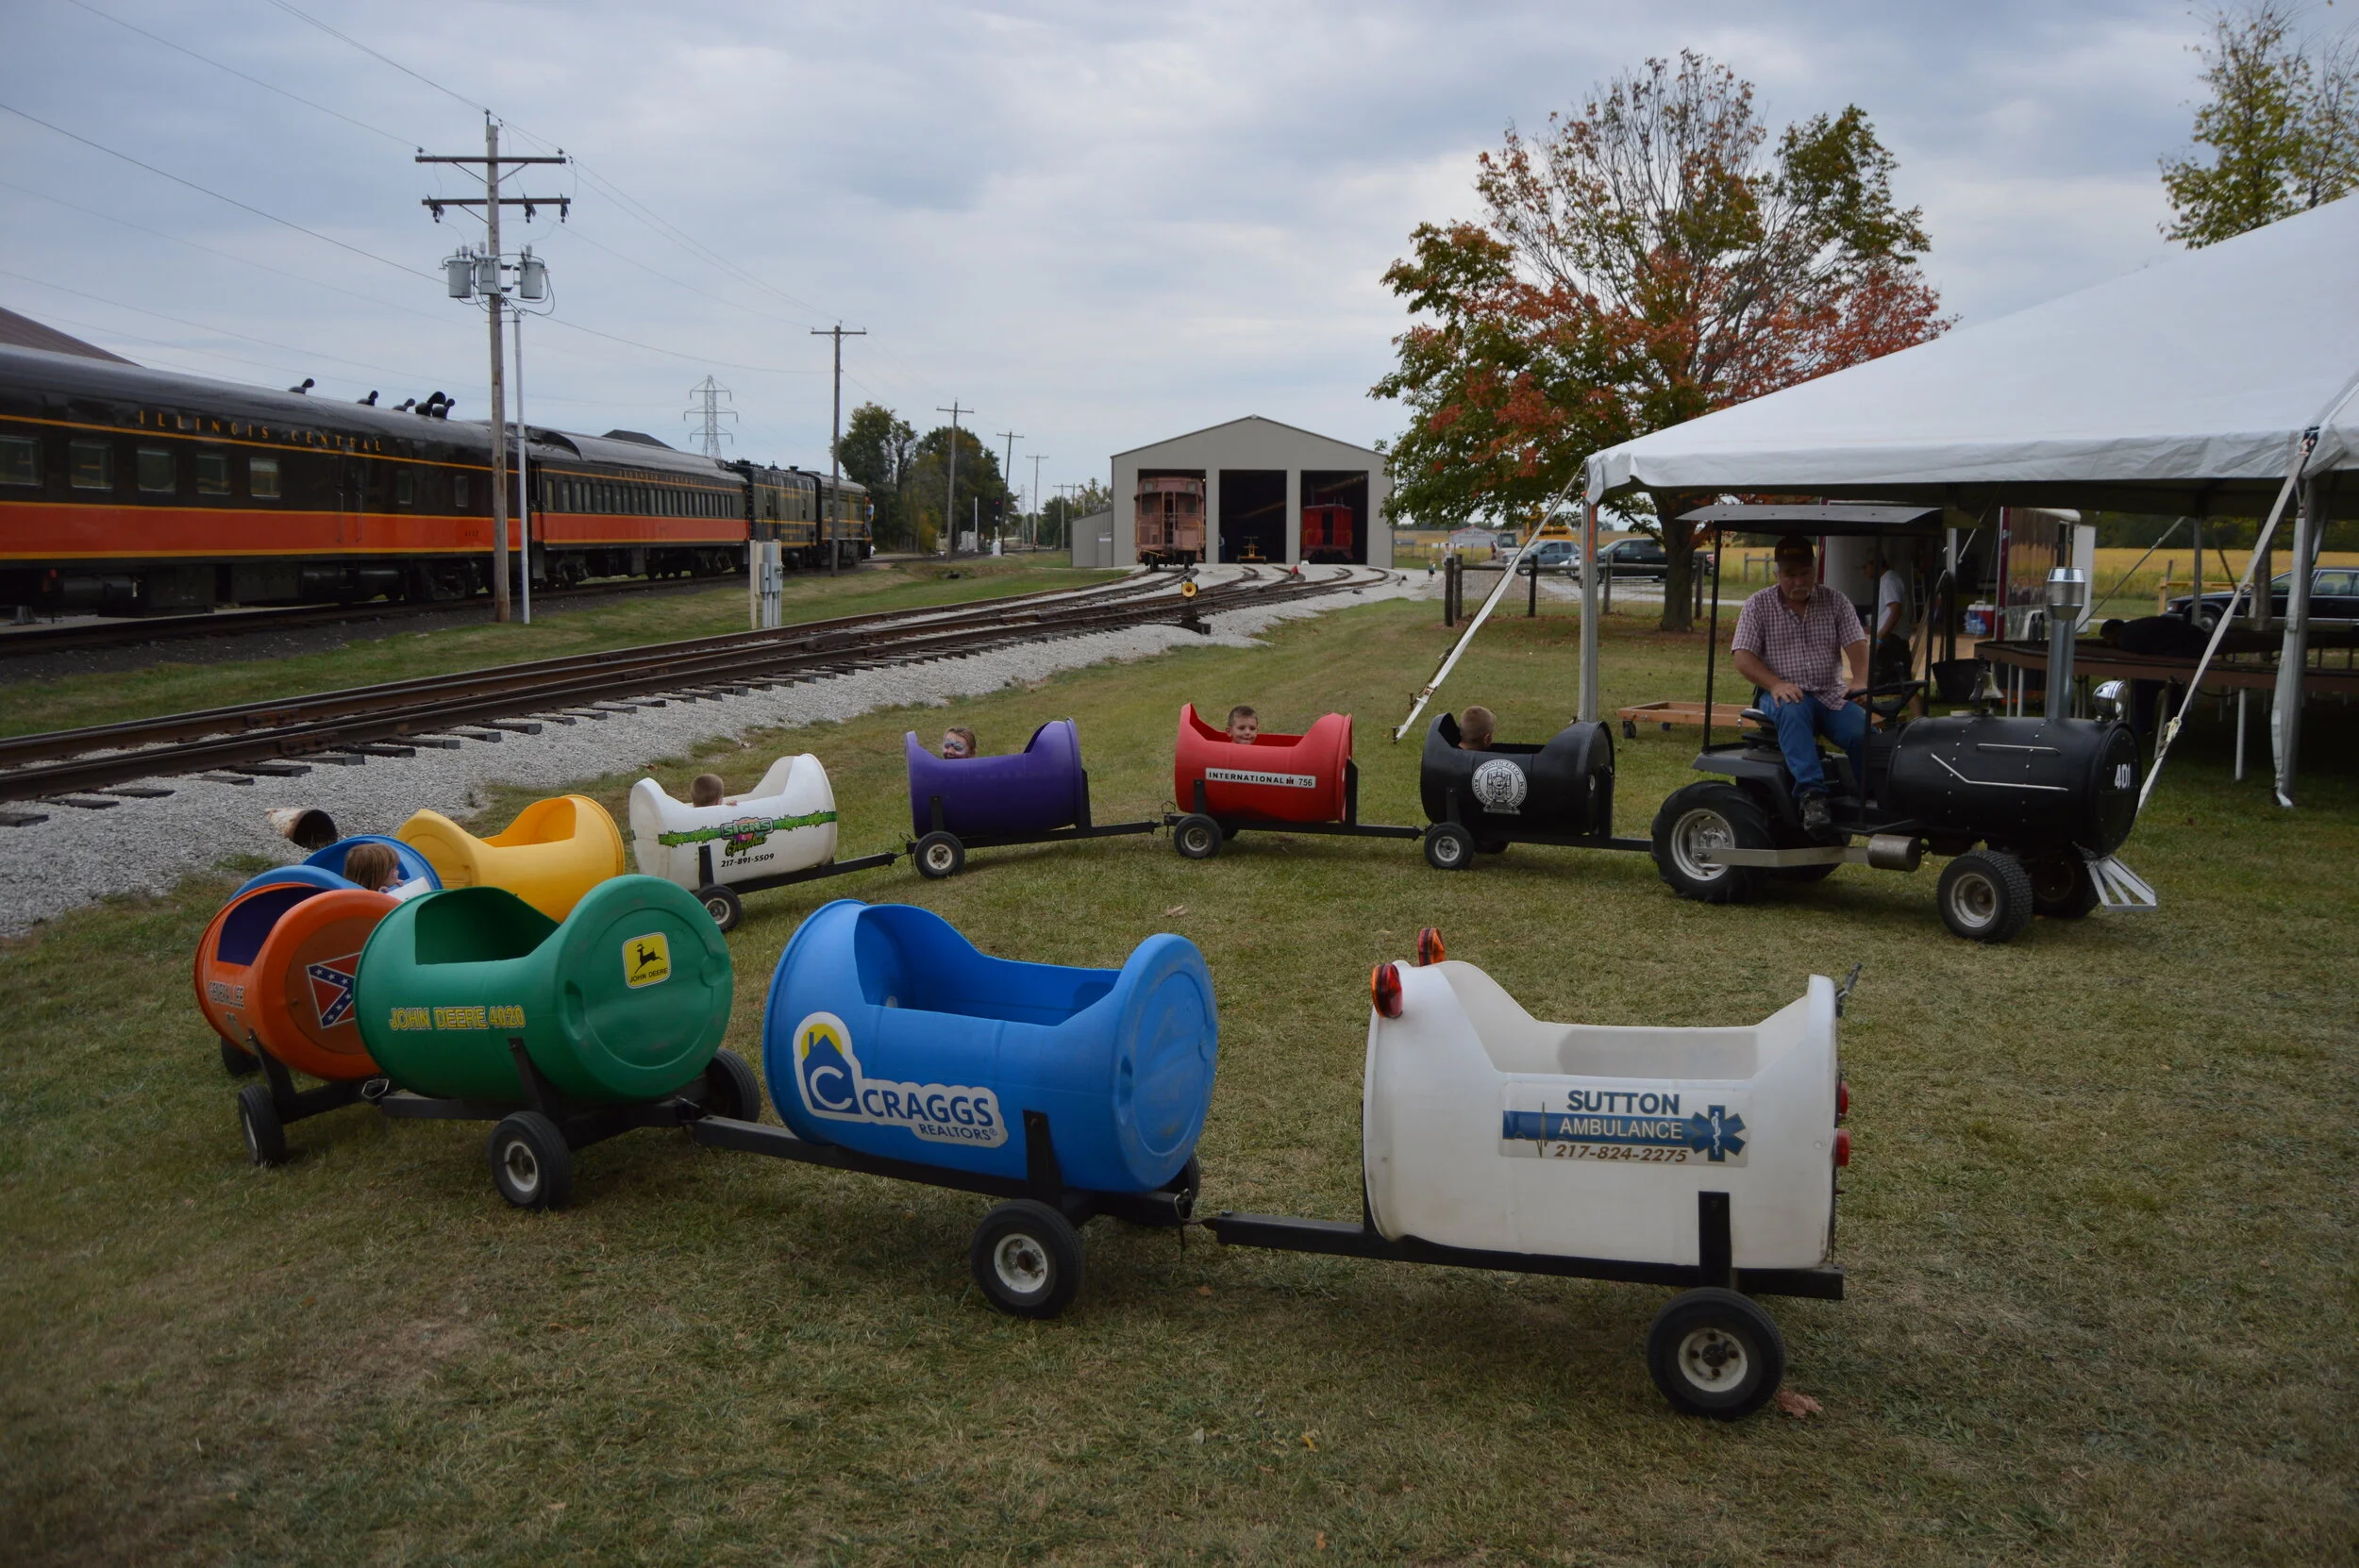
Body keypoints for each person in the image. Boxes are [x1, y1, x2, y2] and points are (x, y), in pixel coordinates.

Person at [1732, 535, 1869, 834]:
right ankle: (1813, 797)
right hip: (1780, 693)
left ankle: (1870, 795)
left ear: (1815, 570)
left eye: (1804, 573)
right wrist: (1775, 683)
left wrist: (1859, 680)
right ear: (1777, 573)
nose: (1798, 581)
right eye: (1790, 574)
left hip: (1830, 693)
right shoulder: (1758, 605)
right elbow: (1742, 657)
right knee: (1793, 710)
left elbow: (1857, 643)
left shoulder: (1836, 600)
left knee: (1863, 731)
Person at [1865, 545, 1915, 690]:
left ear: (1875, 564)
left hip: (1893, 641)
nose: (1864, 571)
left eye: (1865, 566)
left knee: (1882, 683)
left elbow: (1895, 611)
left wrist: (1879, 638)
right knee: (1899, 684)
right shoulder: (1886, 580)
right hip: (1891, 639)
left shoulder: (1888, 581)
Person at [341, 841, 430, 901]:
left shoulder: (380, 886)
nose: (398, 872)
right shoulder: (356, 900)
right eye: (393, 870)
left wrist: (393, 887)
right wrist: (378, 899)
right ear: (377, 877)